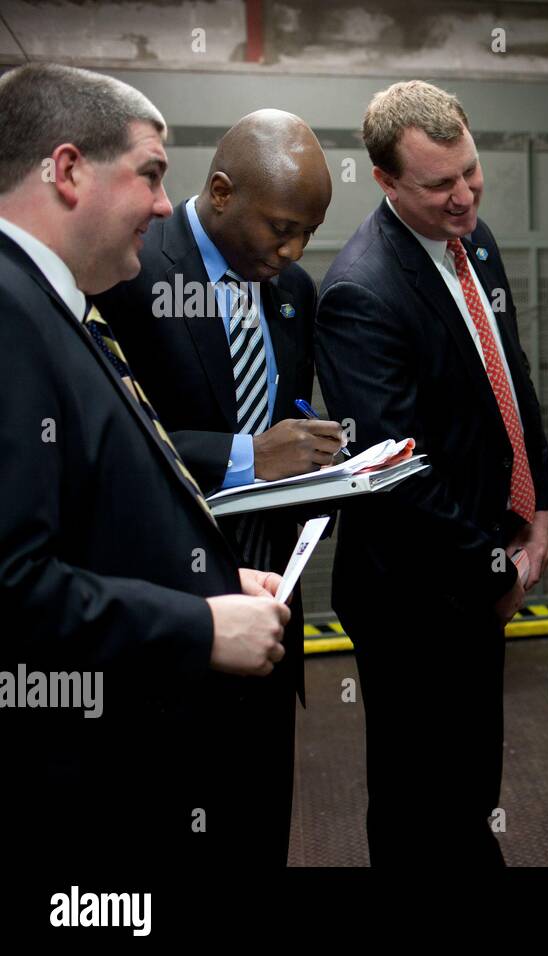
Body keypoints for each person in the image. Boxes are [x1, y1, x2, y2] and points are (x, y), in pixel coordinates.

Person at [0, 63, 289, 866]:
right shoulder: (10, 312)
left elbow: (92, 521)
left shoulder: (54, 305)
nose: (166, 205)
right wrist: (197, 624)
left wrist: (215, 584)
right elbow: (14, 584)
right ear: (66, 171)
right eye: (151, 174)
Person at [314, 80, 548, 867]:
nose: (463, 197)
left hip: (480, 568)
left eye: (471, 172)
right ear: (385, 181)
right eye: (439, 184)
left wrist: (541, 509)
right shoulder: (362, 290)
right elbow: (399, 473)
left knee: (470, 791)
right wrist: (495, 573)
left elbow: (510, 379)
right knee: (422, 806)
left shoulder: (474, 244)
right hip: (413, 596)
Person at [91, 108, 338, 865]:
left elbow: (283, 423)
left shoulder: (291, 288)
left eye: (307, 234)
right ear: (223, 192)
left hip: (271, 613)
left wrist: (331, 470)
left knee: (259, 829)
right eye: (281, 227)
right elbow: (114, 442)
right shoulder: (129, 271)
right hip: (173, 612)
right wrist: (246, 456)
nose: (292, 251)